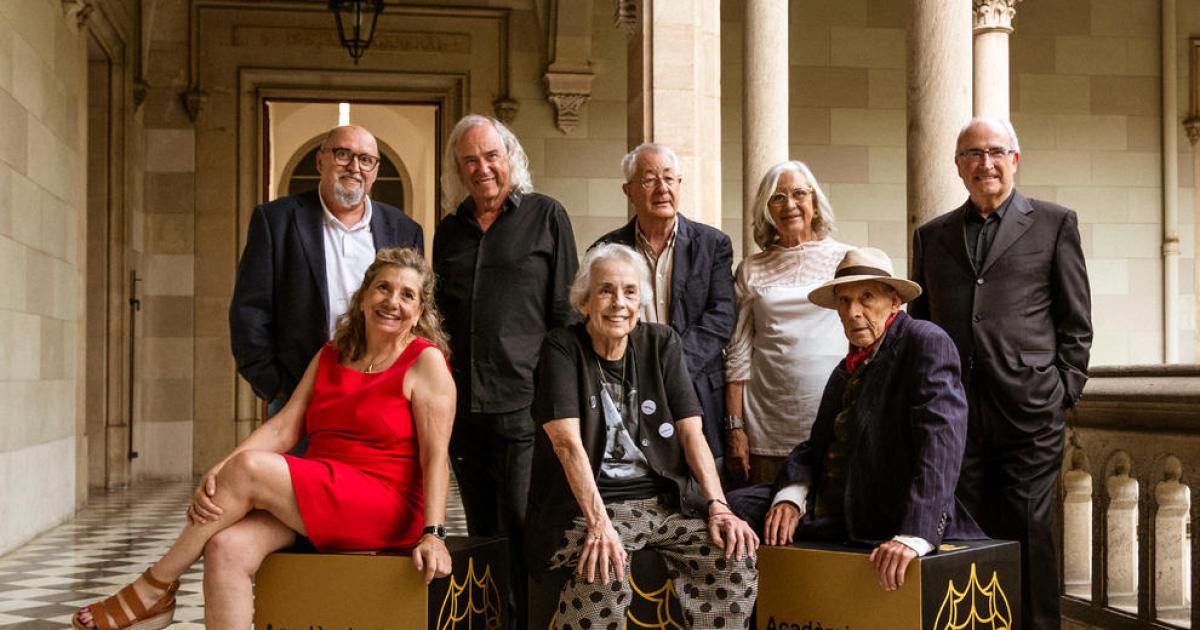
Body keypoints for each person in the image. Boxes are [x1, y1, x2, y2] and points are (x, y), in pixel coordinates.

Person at [74, 248, 455, 630]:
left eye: (407, 295)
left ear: (419, 312)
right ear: (364, 297)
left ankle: (154, 587)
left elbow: (435, 457)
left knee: (250, 468)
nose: (392, 301)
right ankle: (161, 595)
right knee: (225, 548)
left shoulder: (426, 362)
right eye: (383, 288)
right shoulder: (331, 354)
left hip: (386, 502)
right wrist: (220, 471)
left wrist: (434, 534)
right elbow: (283, 427)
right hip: (321, 491)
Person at [910, 117, 1092, 629]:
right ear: (958, 166)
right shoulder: (931, 236)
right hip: (956, 416)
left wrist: (1063, 389)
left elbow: (1076, 320)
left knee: (1029, 529)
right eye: (973, 154)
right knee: (966, 533)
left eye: (995, 152)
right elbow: (922, 325)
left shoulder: (1055, 223)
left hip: (1030, 410)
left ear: (1014, 159)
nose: (985, 163)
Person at [526, 243, 759, 630]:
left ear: (641, 302)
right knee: (605, 567)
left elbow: (691, 432)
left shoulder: (661, 342)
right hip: (589, 508)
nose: (619, 302)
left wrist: (718, 505)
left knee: (734, 555)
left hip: (663, 505)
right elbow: (566, 444)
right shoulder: (562, 347)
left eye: (630, 291)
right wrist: (599, 525)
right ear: (584, 302)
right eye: (606, 290)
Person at [727, 247, 984, 592]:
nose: (853, 312)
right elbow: (814, 447)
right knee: (729, 509)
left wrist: (915, 534)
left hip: (886, 507)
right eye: (844, 301)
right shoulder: (844, 368)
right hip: (836, 503)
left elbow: (941, 443)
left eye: (866, 298)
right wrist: (790, 496)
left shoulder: (924, 342)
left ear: (894, 302)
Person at [432, 113, 579, 628]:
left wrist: (559, 399)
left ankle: (529, 622)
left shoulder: (546, 215)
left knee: (520, 523)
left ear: (509, 157)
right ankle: (491, 620)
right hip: (463, 407)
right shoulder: (449, 231)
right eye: (470, 160)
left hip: (524, 404)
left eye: (491, 156)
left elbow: (565, 316)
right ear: (458, 169)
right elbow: (437, 319)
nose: (482, 168)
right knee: (479, 529)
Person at [230, 124, 424, 412]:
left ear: (375, 171)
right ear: (320, 162)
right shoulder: (276, 221)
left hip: (380, 395)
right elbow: (250, 311)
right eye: (343, 154)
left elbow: (416, 311)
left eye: (366, 160)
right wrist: (275, 386)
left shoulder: (404, 229)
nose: (354, 167)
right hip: (299, 394)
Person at [593, 143, 735, 465]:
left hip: (696, 389)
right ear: (629, 191)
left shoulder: (712, 244)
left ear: (679, 184)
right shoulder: (606, 250)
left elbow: (722, 317)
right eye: (649, 179)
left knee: (701, 480)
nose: (662, 189)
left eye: (669, 179)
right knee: (636, 474)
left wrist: (670, 368)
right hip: (627, 389)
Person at [723, 161, 853, 486]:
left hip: (834, 415)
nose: (789, 204)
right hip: (767, 422)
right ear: (767, 209)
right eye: (777, 197)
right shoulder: (751, 269)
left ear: (815, 203)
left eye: (798, 194)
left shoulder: (846, 260)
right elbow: (738, 353)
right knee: (766, 511)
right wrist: (735, 427)